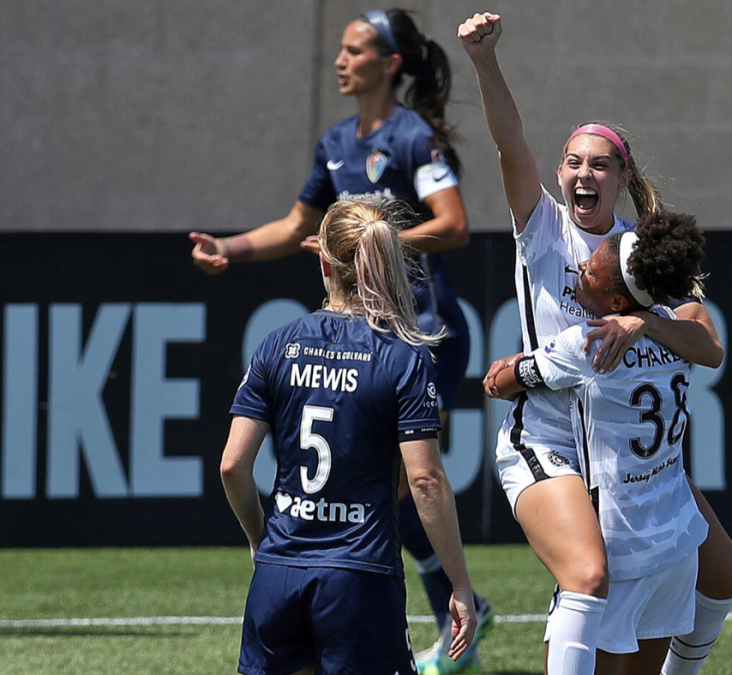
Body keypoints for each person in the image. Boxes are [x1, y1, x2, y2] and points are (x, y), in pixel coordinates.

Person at [189, 8, 492, 672]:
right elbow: (295, 221)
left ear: (389, 64)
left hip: (422, 332)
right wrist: (229, 249)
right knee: (387, 481)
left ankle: (448, 606)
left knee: (410, 479)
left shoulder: (416, 138)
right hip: (362, 330)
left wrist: (363, 247)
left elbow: (454, 224)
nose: (340, 59)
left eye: (355, 49)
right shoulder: (334, 141)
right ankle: (448, 602)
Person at [460, 13, 732, 675]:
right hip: (553, 434)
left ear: (622, 178)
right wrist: (483, 62)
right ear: (559, 174)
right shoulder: (544, 229)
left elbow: (706, 344)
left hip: (623, 445)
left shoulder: (642, 255)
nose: (582, 172)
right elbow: (509, 144)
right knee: (587, 577)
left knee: (723, 575)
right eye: (573, 162)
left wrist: (644, 322)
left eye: (599, 163)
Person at [220, 198, 477, 675]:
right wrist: (459, 583)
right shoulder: (404, 356)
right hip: (360, 578)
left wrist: (263, 539)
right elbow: (425, 482)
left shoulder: (278, 342)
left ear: (323, 259)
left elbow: (232, 465)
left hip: (279, 575)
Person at [487, 212, 712, 675]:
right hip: (676, 543)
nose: (578, 271)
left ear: (614, 300)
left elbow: (499, 384)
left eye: (589, 270)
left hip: (624, 543)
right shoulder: (671, 326)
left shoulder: (588, 343)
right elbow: (708, 342)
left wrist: (515, 366)